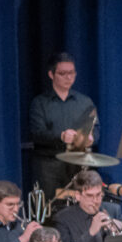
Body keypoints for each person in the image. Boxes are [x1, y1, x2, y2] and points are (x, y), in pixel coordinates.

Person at [27, 51, 97, 201]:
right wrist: (61, 136)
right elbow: (36, 133)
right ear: (51, 75)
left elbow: (96, 128)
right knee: (52, 208)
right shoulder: (40, 103)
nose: (68, 77)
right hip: (49, 166)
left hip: (77, 165)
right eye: (63, 73)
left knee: (80, 205)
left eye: (71, 73)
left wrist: (91, 138)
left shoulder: (85, 102)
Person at [53, 172, 122, 242]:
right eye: (90, 196)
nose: (96, 201)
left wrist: (121, 231)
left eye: (99, 195)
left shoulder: (113, 210)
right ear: (78, 196)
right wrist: (90, 233)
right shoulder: (63, 219)